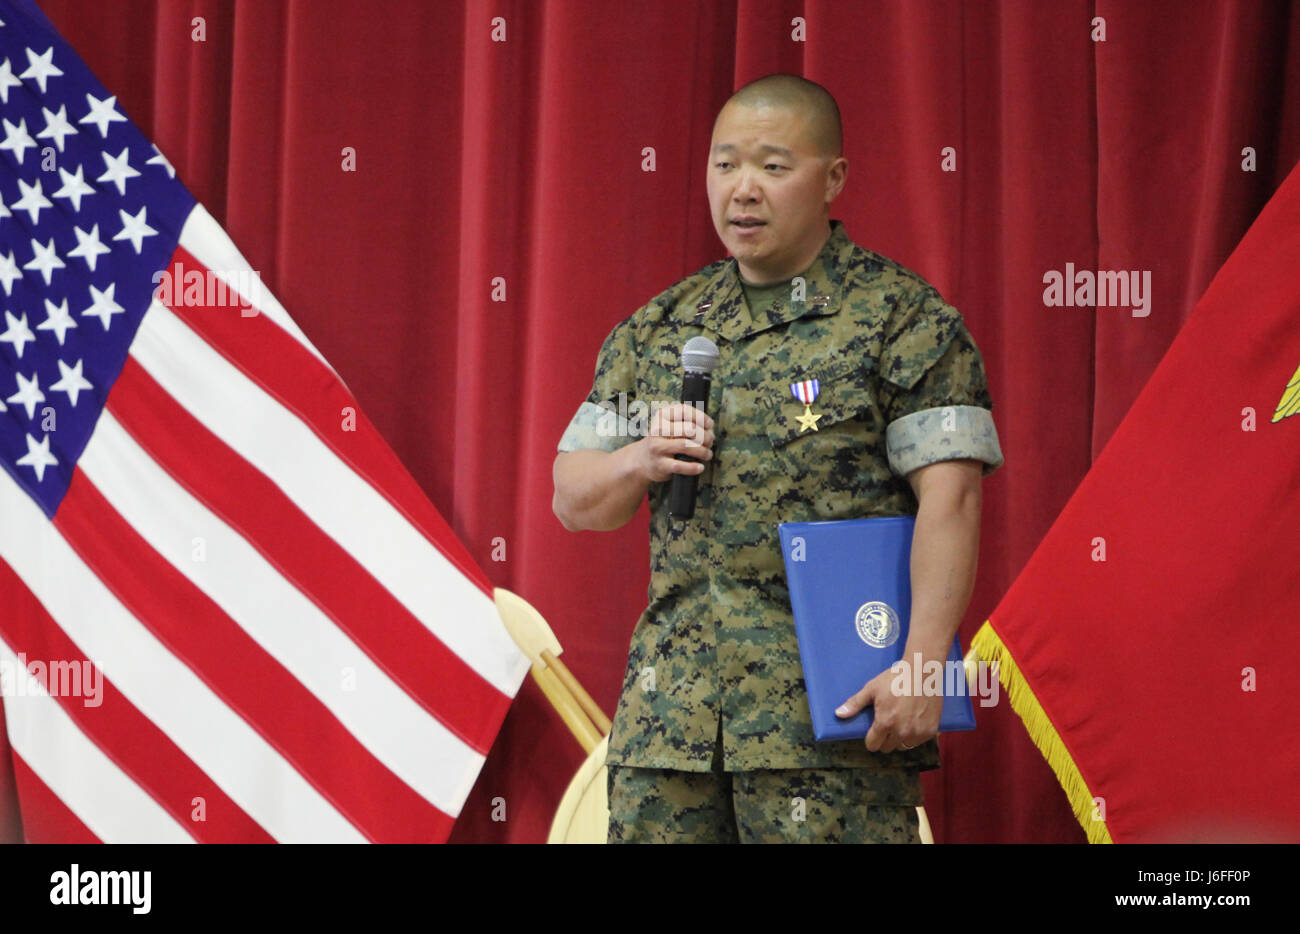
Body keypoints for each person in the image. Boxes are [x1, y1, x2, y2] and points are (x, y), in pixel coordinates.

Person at [552, 74, 1004, 844]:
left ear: (833, 178)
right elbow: (573, 498)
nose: (743, 191)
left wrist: (925, 665)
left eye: (772, 165)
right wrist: (639, 461)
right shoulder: (661, 329)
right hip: (673, 727)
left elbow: (952, 501)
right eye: (725, 165)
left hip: (831, 724)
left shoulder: (903, 318)